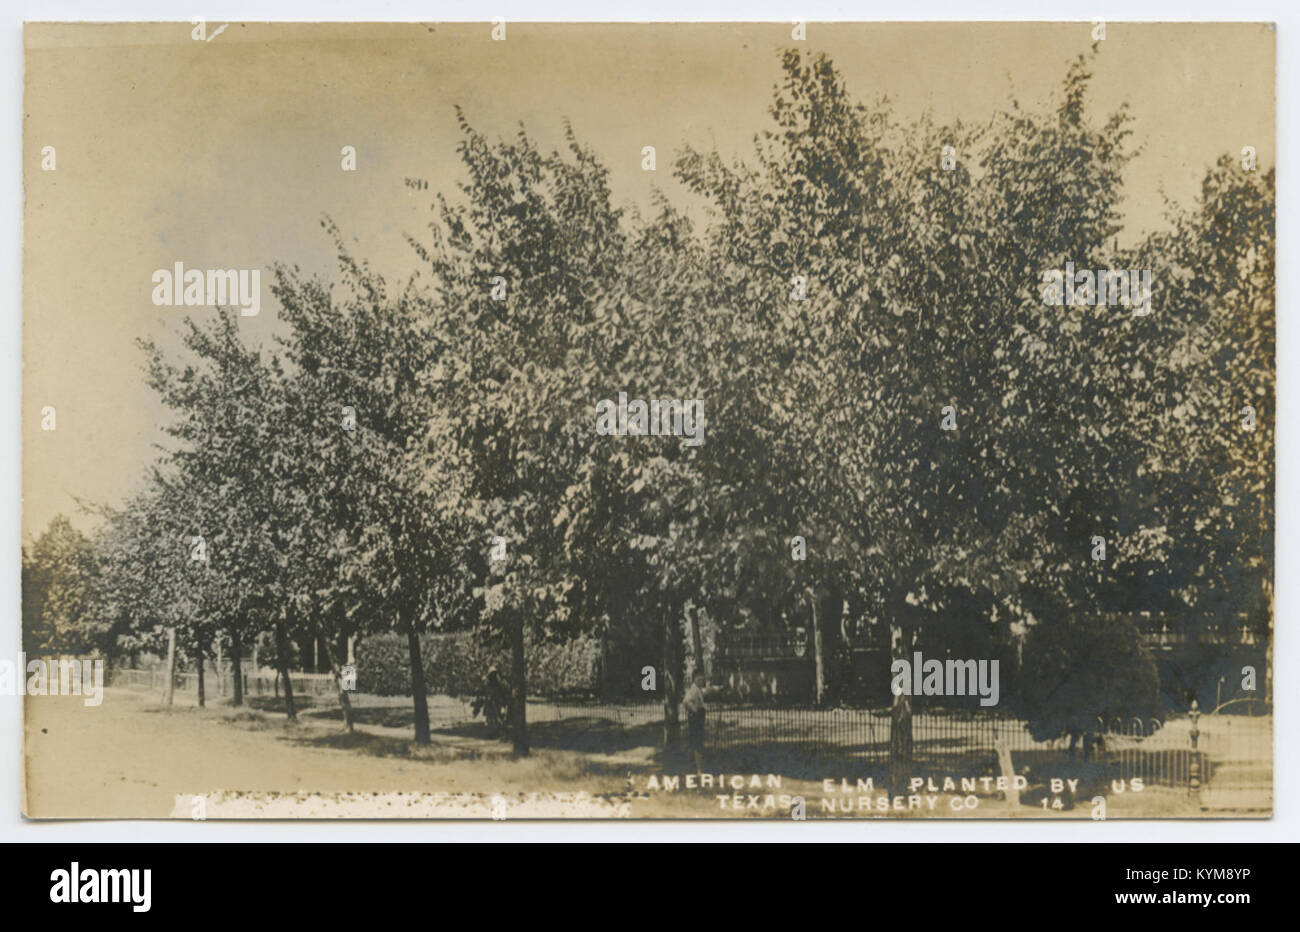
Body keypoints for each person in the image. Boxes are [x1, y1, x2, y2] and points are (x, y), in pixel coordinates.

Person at [683, 672, 707, 773]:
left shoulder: (697, 689)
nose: (701, 682)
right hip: (696, 719)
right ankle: (698, 769)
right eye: (699, 680)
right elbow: (686, 701)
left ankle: (692, 767)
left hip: (699, 718)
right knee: (697, 743)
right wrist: (695, 710)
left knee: (695, 743)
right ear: (695, 680)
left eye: (702, 679)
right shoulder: (693, 689)